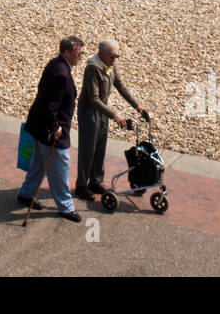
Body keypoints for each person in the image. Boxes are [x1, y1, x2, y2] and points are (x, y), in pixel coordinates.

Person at [17, 36, 85, 222]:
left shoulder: (56, 63)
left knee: (39, 162)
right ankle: (66, 206)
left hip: (39, 125)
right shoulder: (62, 73)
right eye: (79, 53)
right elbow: (49, 104)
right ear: (68, 51)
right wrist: (55, 127)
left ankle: (27, 193)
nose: (81, 56)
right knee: (61, 166)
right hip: (51, 130)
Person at [75, 39, 147, 202]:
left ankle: (96, 181)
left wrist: (137, 106)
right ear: (101, 53)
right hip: (89, 112)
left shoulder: (110, 65)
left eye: (117, 57)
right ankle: (81, 186)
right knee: (88, 149)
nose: (115, 60)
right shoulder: (93, 68)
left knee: (100, 146)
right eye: (112, 56)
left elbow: (120, 85)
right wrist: (114, 115)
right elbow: (93, 98)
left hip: (102, 110)